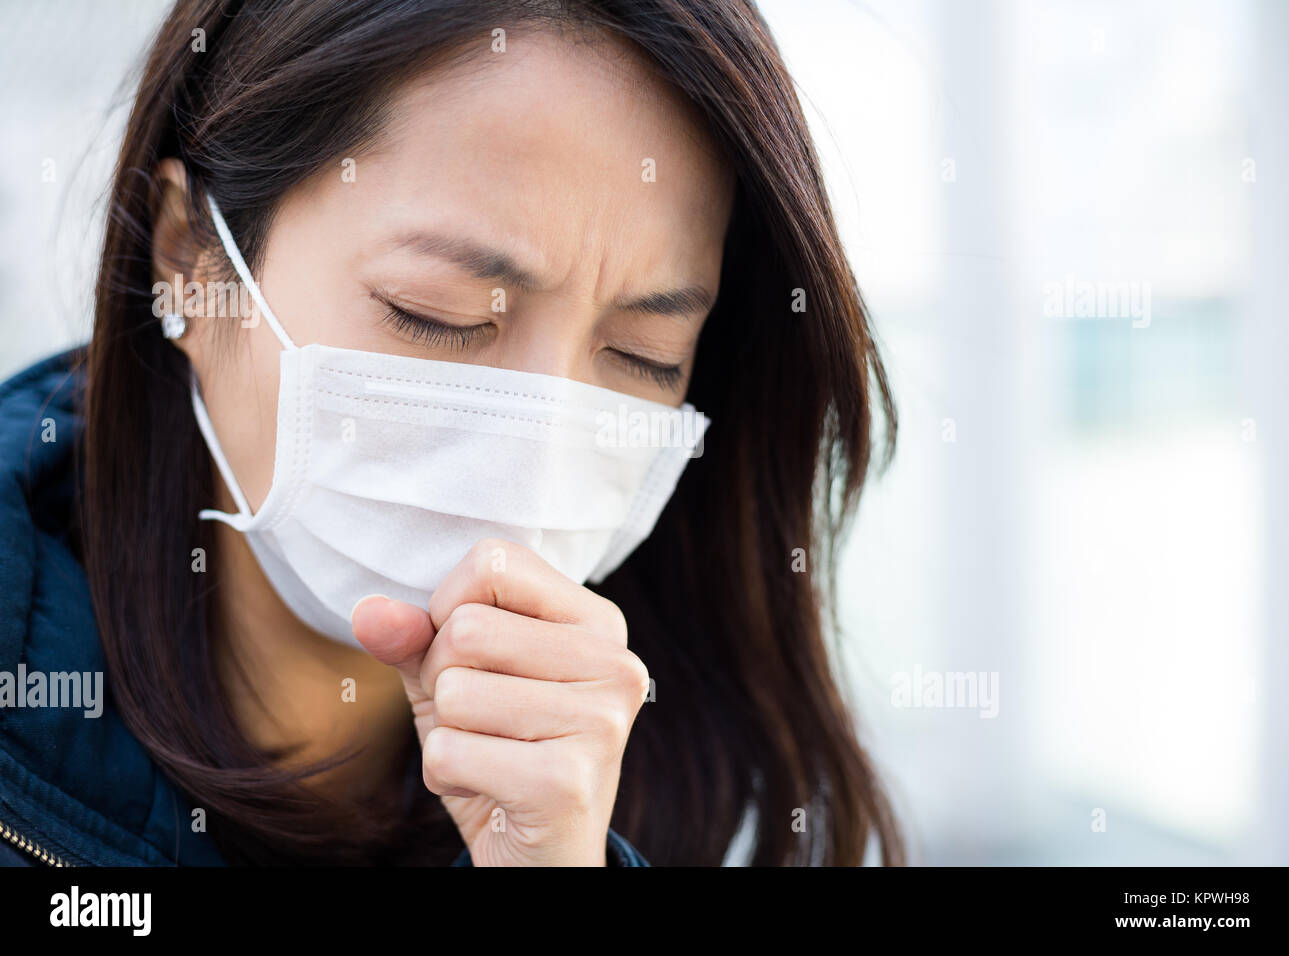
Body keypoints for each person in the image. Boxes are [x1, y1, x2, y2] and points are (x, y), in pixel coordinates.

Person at [0, 0, 900, 867]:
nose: (533, 458)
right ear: (190, 260)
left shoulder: (725, 781)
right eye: (436, 315)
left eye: (644, 355)